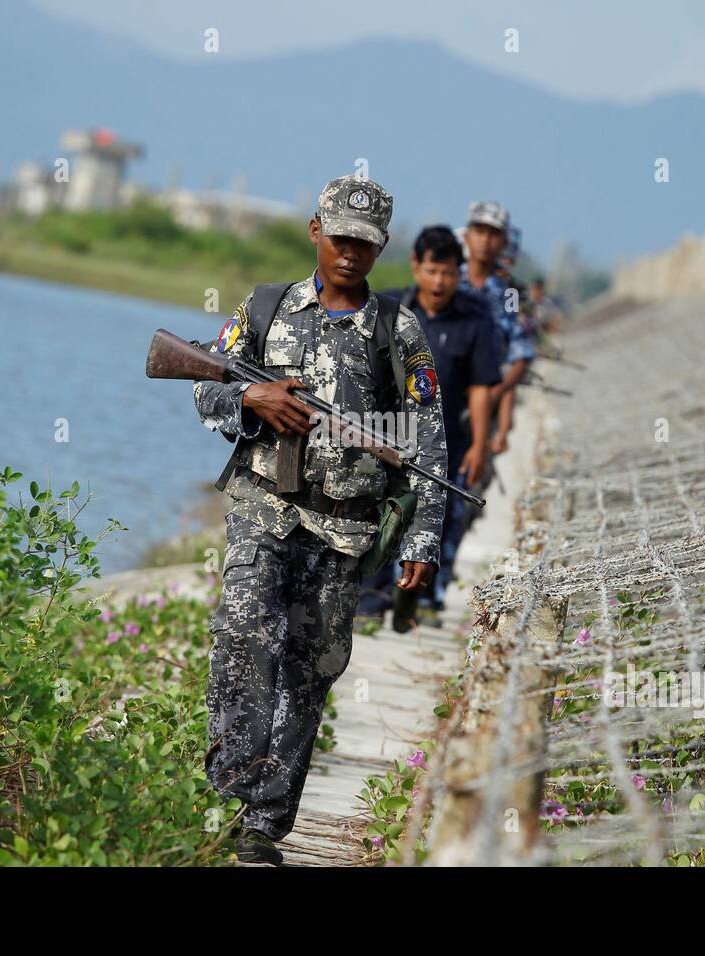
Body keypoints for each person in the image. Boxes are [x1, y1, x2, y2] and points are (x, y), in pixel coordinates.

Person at [191, 175, 448, 865]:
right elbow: (203, 389)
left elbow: (426, 444)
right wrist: (255, 400)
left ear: (381, 247)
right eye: (340, 238)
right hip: (262, 511)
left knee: (311, 670)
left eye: (365, 244)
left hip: (344, 532)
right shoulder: (266, 307)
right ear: (315, 231)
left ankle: (262, 828)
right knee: (244, 636)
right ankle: (228, 793)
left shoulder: (397, 331)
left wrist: (421, 541)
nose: (350, 254)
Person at [355, 226, 502, 627]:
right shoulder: (389, 311)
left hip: (448, 439)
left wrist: (480, 446)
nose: (440, 281)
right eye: (433, 270)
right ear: (416, 266)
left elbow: (481, 387)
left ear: (460, 273)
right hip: (388, 433)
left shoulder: (475, 319)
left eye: (450, 273)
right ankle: (372, 597)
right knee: (382, 512)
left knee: (438, 515)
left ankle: (419, 599)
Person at [459, 201, 534, 457]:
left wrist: (496, 395)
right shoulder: (447, 281)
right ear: (467, 236)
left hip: (486, 403)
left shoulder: (509, 293)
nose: (485, 240)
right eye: (479, 231)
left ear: (503, 242)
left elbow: (520, 354)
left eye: (493, 234)